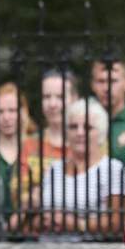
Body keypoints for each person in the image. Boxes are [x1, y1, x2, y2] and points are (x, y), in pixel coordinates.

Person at [32, 98, 125, 241]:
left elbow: (116, 221)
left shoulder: (113, 169)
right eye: (73, 127)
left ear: (101, 133)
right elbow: (36, 217)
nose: (79, 132)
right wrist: (43, 221)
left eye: (88, 127)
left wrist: (76, 224)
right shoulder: (54, 169)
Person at [0, 82, 35, 228]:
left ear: (23, 112)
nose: (6, 117)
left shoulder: (36, 149)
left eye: (12, 110)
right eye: (0, 111)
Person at [21, 69, 78, 197]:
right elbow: (18, 193)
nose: (52, 104)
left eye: (60, 97)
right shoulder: (29, 145)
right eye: (47, 97)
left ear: (75, 99)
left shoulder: (90, 143)